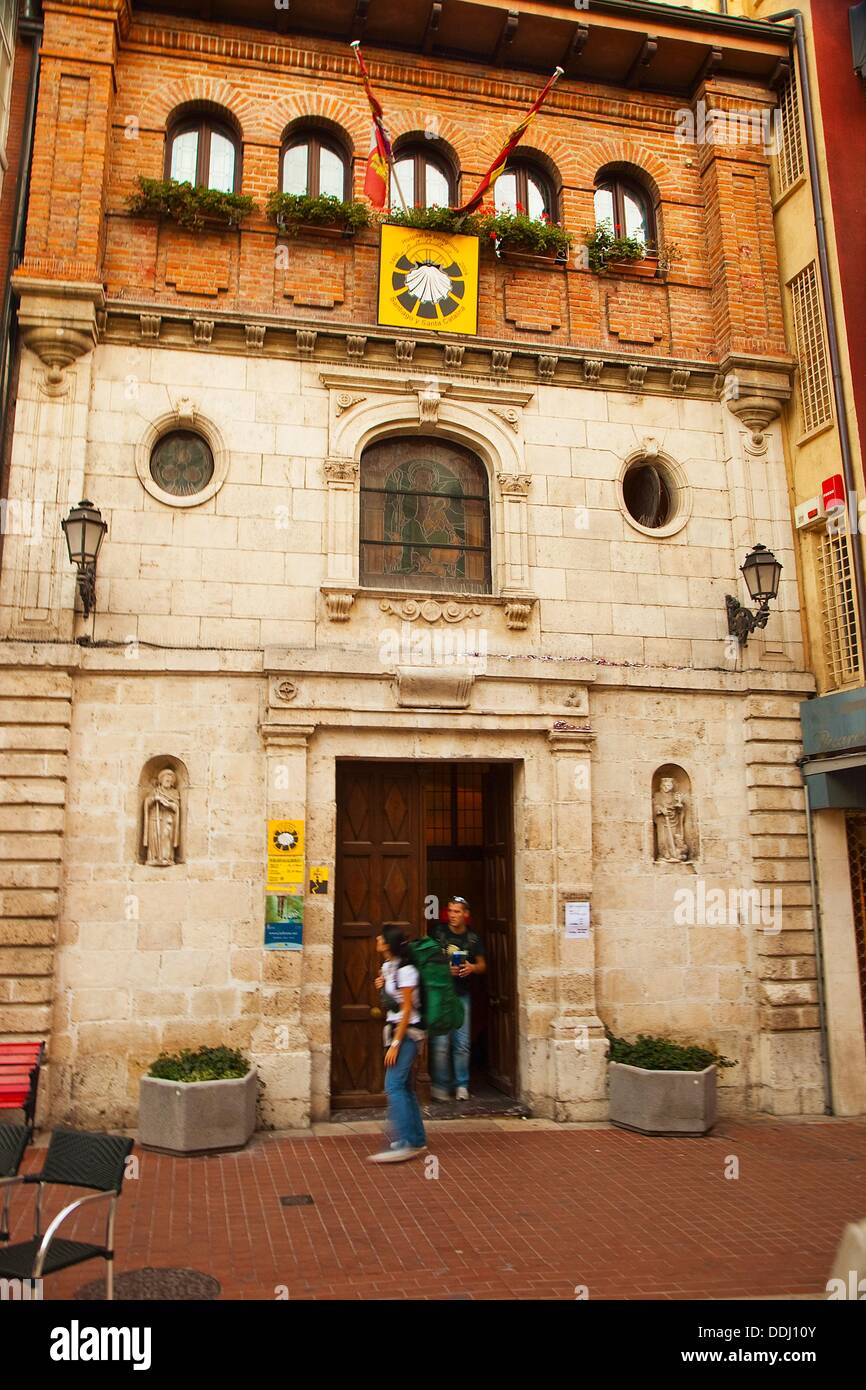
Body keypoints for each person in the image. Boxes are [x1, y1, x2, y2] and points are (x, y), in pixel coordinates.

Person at [367, 925, 427, 1163]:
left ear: (389, 944)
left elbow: (407, 1011)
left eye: (382, 937)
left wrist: (396, 1043)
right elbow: (393, 1005)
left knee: (393, 1086)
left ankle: (405, 1143)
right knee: (405, 1087)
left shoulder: (408, 971)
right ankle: (416, 1139)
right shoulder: (388, 967)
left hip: (407, 1033)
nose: (378, 939)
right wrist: (383, 990)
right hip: (394, 1030)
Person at [431, 896, 485, 1102]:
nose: (452, 915)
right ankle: (440, 1085)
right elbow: (429, 960)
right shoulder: (438, 934)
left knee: (461, 1042)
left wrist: (471, 967)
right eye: (450, 911)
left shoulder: (472, 939)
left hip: (462, 995)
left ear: (466, 914)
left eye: (457, 912)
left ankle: (462, 1085)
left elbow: (482, 965)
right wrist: (444, 969)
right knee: (440, 1043)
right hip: (440, 994)